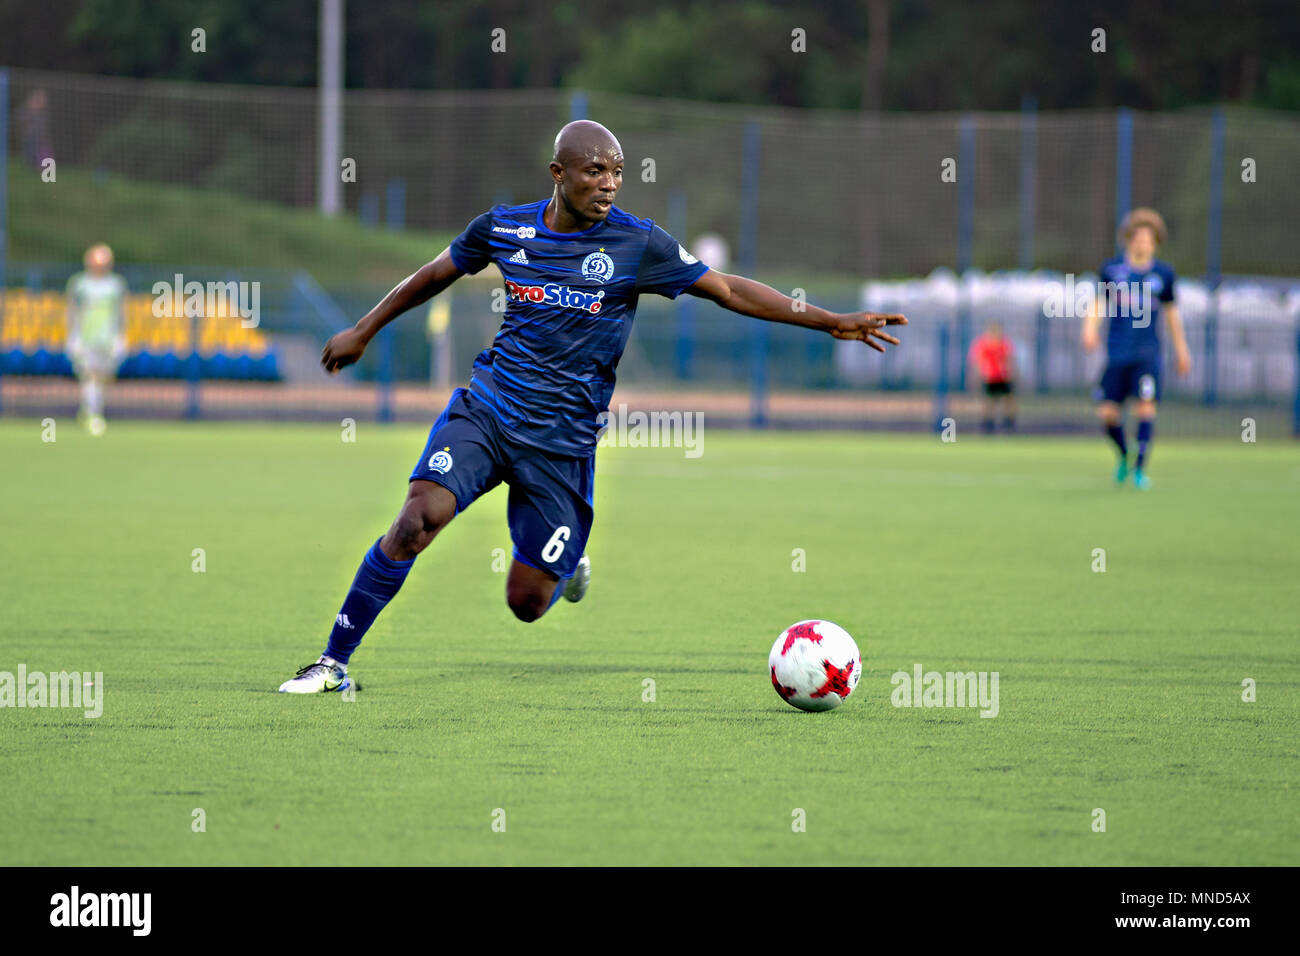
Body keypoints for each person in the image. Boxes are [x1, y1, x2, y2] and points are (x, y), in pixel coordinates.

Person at [278, 120, 907, 693]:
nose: (608, 185)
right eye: (594, 171)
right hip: (489, 410)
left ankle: (566, 557)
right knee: (417, 519)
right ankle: (333, 663)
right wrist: (364, 328)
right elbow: (435, 274)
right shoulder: (505, 226)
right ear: (559, 174)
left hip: (562, 444)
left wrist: (829, 322)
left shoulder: (637, 244)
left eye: (617, 173)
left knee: (525, 603)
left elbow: (729, 290)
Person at [1081, 208, 1190, 489]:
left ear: (1155, 243)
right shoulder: (1112, 270)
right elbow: (1099, 303)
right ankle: (1124, 454)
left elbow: (1171, 314)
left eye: (1148, 239)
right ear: (1128, 240)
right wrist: (1090, 328)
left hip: (1147, 355)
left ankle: (1140, 470)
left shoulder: (1163, 275)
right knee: (1107, 412)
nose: (1143, 244)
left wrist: (1182, 350)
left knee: (1145, 408)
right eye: (1138, 238)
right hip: (1117, 353)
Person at [65, 244, 128, 437]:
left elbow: (121, 312)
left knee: (103, 376)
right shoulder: (79, 284)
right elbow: (72, 311)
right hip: (86, 337)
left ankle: (90, 409)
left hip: (108, 338)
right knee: (89, 374)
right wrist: (72, 335)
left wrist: (121, 336)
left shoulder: (116, 285)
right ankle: (93, 413)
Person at [967, 321, 1016, 432]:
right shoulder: (982, 344)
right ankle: (988, 424)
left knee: (1009, 400)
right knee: (989, 402)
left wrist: (1010, 373)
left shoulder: (1004, 344)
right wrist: (977, 376)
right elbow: (977, 361)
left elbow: (1009, 360)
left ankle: (1009, 423)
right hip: (989, 378)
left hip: (1003, 378)